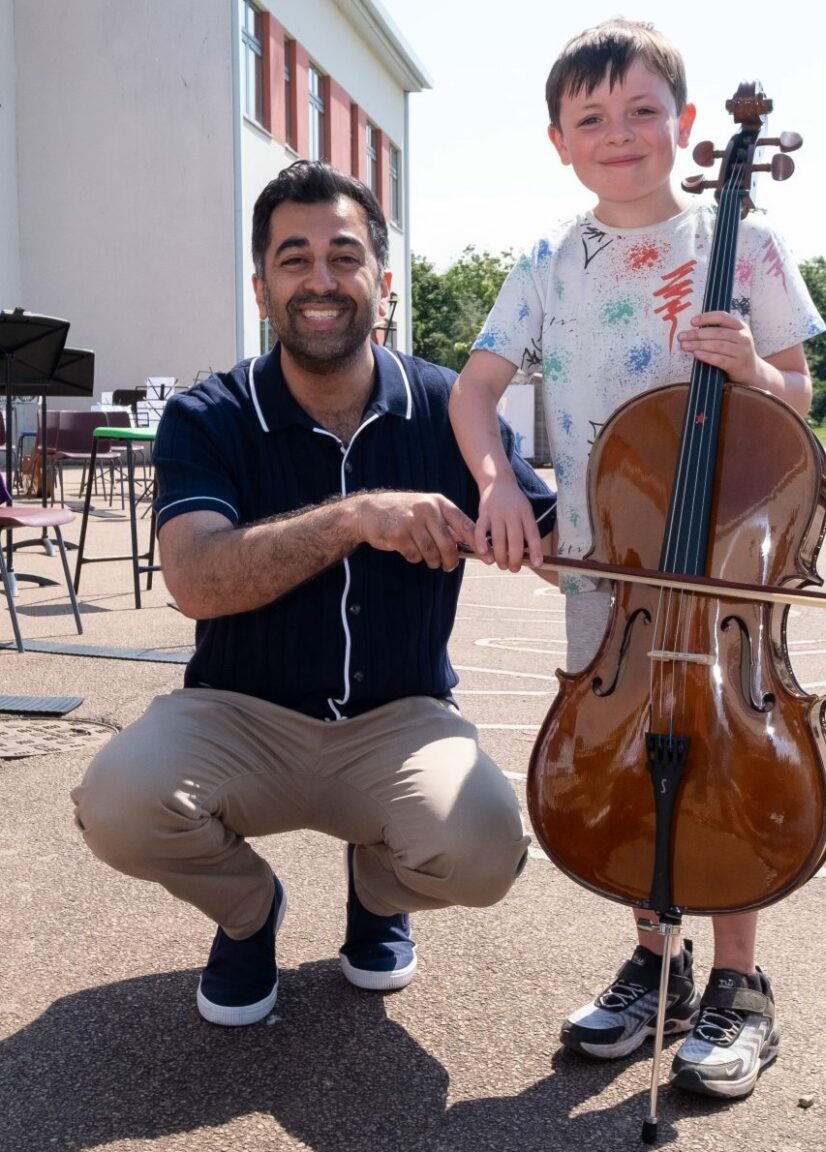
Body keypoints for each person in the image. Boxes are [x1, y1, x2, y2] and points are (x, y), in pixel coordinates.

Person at [71, 160, 556, 1028]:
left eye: (344, 254)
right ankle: (249, 914)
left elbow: (556, 543)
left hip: (401, 716)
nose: (321, 280)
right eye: (294, 260)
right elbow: (195, 581)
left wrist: (567, 522)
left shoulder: (451, 404)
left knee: (484, 851)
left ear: (383, 279)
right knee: (117, 803)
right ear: (262, 287)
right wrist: (350, 518)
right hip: (237, 714)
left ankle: (377, 893)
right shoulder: (207, 413)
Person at [448, 19, 825, 1100]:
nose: (620, 134)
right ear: (561, 141)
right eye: (592, 119)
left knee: (721, 753)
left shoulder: (742, 244)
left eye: (642, 112)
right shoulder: (547, 262)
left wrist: (754, 364)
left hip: (719, 560)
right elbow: (475, 393)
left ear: (688, 127)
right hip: (607, 571)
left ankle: (740, 985)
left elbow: (800, 405)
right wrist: (497, 482)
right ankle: (657, 962)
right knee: (632, 749)